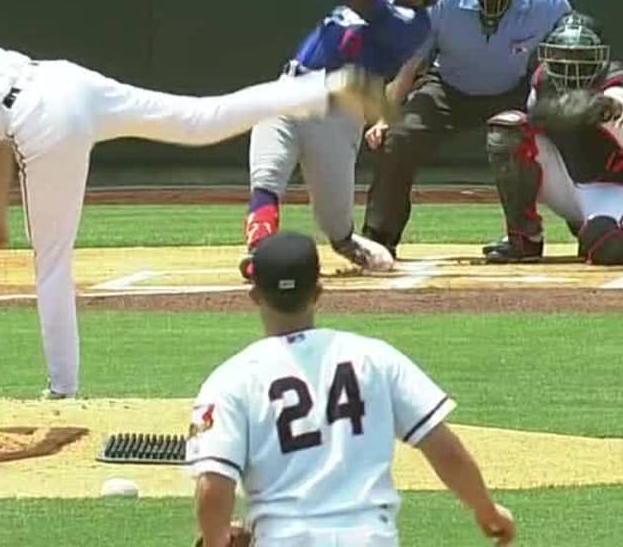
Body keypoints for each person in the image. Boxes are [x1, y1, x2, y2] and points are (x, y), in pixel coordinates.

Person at [0, 0, 392, 400]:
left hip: (39, 118)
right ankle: (324, 86)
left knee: (52, 264)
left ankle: (63, 391)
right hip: (63, 82)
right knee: (198, 120)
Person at [188, 231, 517, 547]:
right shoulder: (374, 357)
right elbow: (446, 452)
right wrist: (486, 510)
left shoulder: (231, 379)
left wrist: (217, 540)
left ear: (255, 296)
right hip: (370, 536)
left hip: (284, 537)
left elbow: (214, 484)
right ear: (318, 291)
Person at [242, 0, 454, 278]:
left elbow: (362, 1)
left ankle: (346, 242)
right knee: (267, 178)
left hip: (336, 112)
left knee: (335, 221)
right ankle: (259, 252)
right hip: (289, 88)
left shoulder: (414, 26)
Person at [360, 0, 571, 260]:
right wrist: (386, 116)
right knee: (399, 136)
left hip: (513, 91)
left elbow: (568, 56)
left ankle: (530, 236)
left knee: (532, 138)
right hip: (447, 89)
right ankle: (379, 238)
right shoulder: (443, 0)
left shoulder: (549, 1)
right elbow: (410, 64)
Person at [479, 12, 623, 265]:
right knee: (507, 129)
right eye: (562, 56)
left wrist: (593, 107)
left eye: (581, 56)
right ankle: (524, 237)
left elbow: (610, 106)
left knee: (604, 246)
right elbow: (534, 123)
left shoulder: (622, 87)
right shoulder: (542, 81)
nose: (570, 64)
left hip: (620, 189)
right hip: (568, 181)